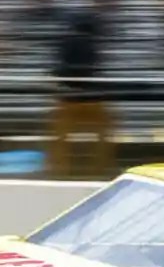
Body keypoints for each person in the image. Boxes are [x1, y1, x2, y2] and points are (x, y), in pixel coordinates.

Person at [47, 11, 115, 179]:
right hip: (93, 100)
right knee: (103, 136)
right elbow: (98, 69)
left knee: (60, 139)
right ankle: (98, 171)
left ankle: (59, 172)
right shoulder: (94, 44)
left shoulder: (65, 42)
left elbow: (57, 70)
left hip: (68, 100)